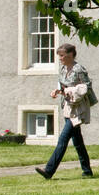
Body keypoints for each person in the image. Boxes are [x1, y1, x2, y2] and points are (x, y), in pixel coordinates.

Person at [35, 43, 95, 179]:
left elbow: (87, 87)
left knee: (62, 140)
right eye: (59, 55)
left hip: (77, 109)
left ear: (70, 54)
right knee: (78, 142)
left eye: (62, 55)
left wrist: (69, 91)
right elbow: (62, 85)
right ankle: (87, 171)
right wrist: (58, 91)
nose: (60, 58)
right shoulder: (62, 69)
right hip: (67, 108)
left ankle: (49, 170)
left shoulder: (79, 69)